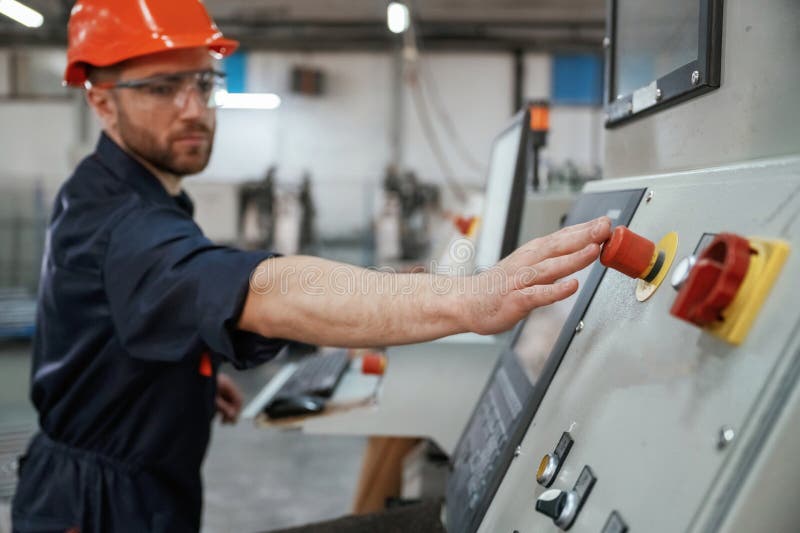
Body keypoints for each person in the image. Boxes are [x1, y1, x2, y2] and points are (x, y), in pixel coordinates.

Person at [10, 1, 612, 532]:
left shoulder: (131, 194)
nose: (194, 108)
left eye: (203, 80)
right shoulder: (125, 225)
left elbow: (122, 322)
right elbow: (268, 291)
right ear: (100, 99)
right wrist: (471, 300)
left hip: (133, 480)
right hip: (97, 507)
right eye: (163, 87)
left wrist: (182, 379)